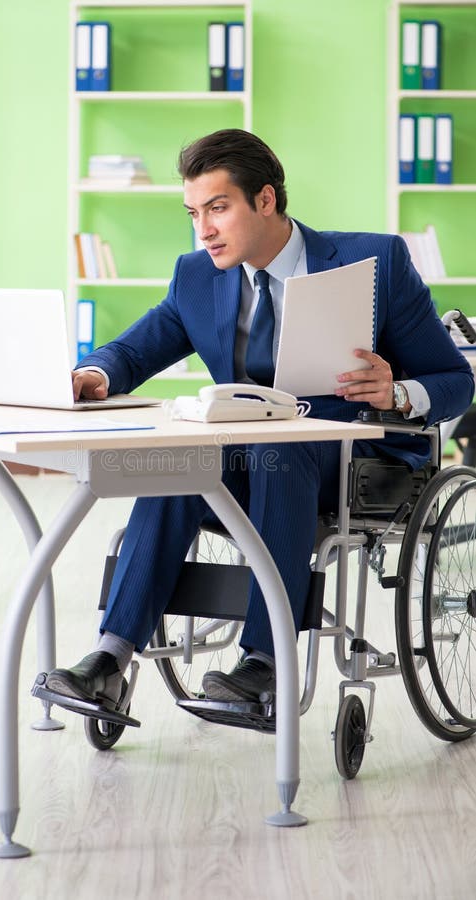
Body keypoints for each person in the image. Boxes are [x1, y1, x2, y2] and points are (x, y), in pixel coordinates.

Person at [46, 129, 474, 707]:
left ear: (266, 200)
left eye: (218, 209)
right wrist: (94, 375)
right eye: (194, 212)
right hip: (253, 458)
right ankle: (111, 657)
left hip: (354, 459)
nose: (204, 230)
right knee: (181, 458)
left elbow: (456, 383)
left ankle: (263, 661)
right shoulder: (198, 276)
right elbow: (130, 351)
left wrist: (397, 391)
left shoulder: (374, 261)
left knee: (282, 451)